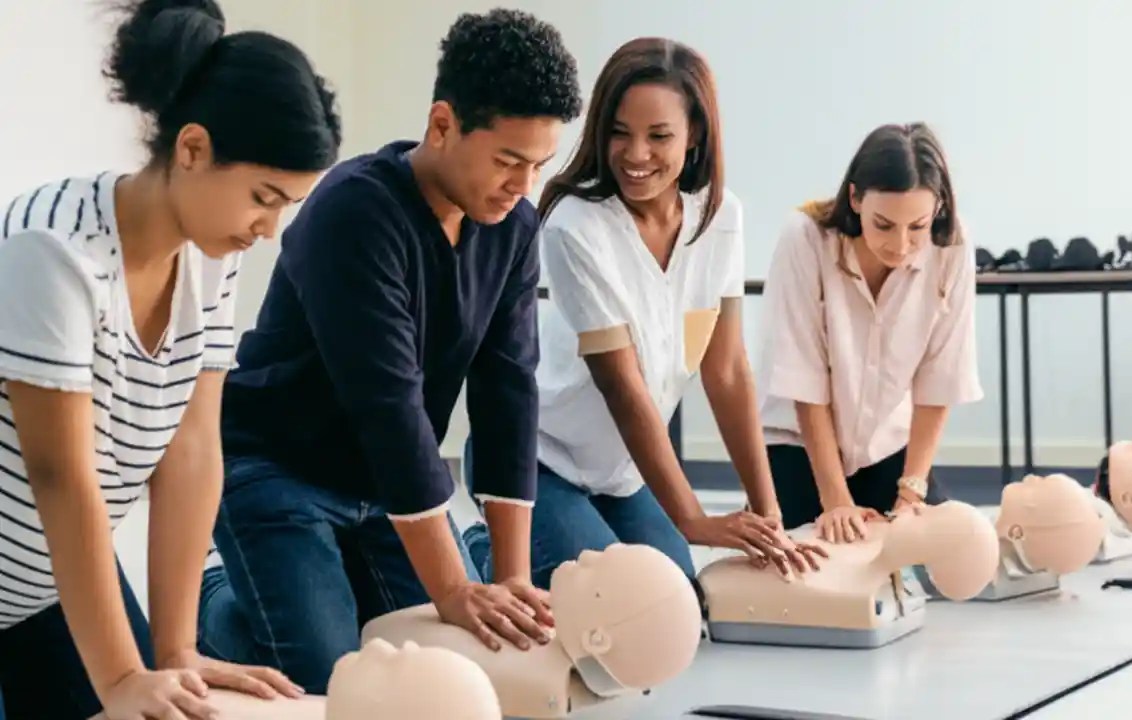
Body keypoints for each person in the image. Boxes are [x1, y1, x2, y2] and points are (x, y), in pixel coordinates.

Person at [193, 8, 583, 694]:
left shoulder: (514, 227)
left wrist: (512, 580)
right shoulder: (354, 210)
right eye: (508, 160)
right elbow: (389, 406)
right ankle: (219, 601)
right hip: (275, 468)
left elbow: (509, 394)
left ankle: (312, 580)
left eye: (538, 165)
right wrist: (456, 590)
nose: (523, 185)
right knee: (335, 677)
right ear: (442, 125)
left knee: (448, 663)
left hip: (385, 490)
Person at [0, 0, 341, 717]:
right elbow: (62, 476)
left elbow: (190, 452)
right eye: (263, 197)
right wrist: (123, 677)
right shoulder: (54, 250)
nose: (270, 229)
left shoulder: (209, 256)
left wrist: (175, 651)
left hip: (42, 588)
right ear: (192, 149)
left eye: (288, 205)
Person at [463, 37, 823, 592]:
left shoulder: (722, 217)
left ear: (695, 135)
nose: (636, 155)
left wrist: (766, 510)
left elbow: (726, 371)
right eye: (619, 133)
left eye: (659, 137)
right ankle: (488, 547)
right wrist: (691, 517)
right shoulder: (573, 225)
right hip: (538, 461)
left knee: (681, 596)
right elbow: (622, 386)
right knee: (621, 600)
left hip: (622, 474)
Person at [756, 122, 983, 543]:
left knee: (949, 552)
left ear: (937, 208)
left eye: (917, 226)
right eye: (883, 225)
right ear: (855, 198)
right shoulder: (805, 237)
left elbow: (939, 379)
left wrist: (911, 491)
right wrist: (836, 501)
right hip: (798, 448)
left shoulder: (952, 245)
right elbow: (805, 381)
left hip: (885, 447)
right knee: (816, 566)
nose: (900, 244)